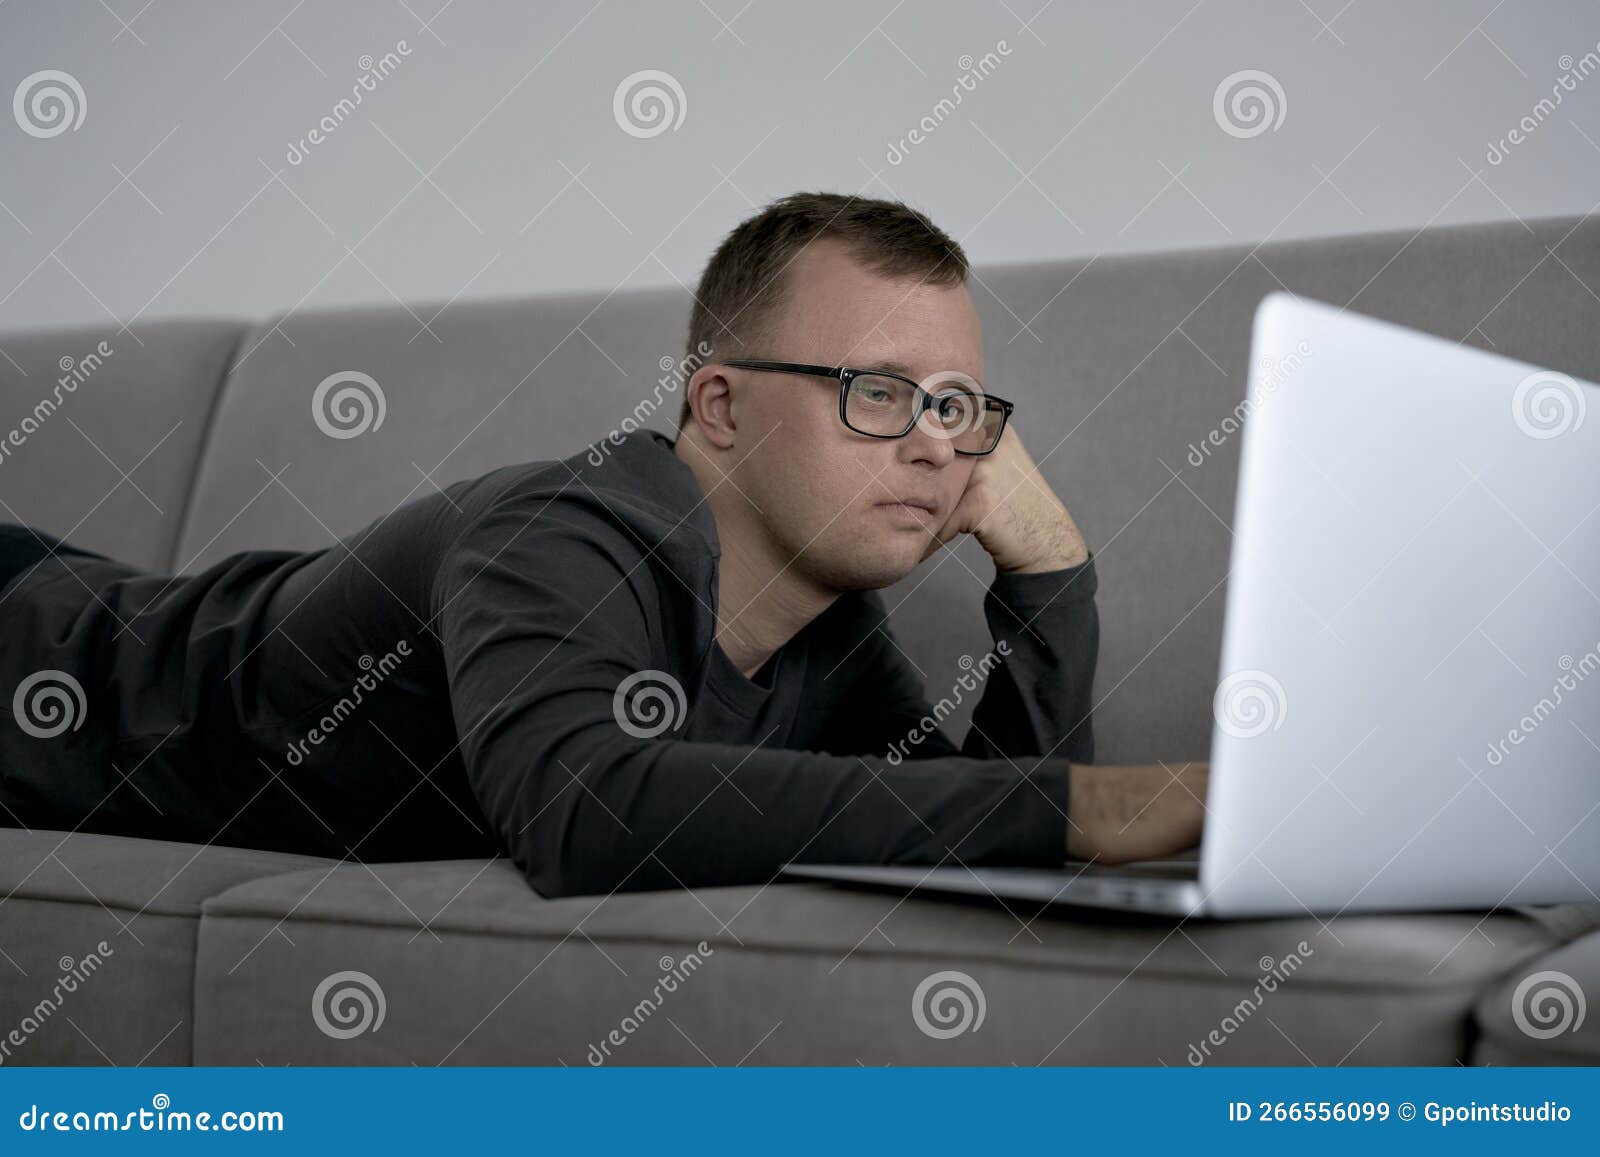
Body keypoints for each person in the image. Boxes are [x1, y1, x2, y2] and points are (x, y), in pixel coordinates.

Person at [0, 191, 1206, 899]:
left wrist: (1051, 578)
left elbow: (960, 832)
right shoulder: (559, 531)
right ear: (720, 407)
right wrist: (1084, 808)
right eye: (879, 392)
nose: (943, 446)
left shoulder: (823, 633)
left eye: (956, 405)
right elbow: (581, 807)